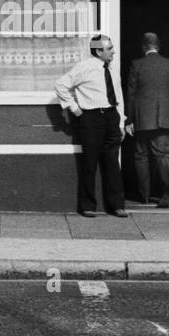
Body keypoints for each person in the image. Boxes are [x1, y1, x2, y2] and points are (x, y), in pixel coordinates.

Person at [54, 34, 128, 218]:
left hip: (111, 116)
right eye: (109, 49)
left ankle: (117, 205)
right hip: (91, 118)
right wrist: (75, 109)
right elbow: (61, 85)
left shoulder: (112, 68)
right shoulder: (84, 67)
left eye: (112, 47)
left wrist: (120, 122)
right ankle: (87, 206)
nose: (113, 51)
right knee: (89, 163)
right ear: (98, 52)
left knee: (113, 163)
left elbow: (118, 96)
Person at [125, 32, 169, 206]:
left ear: (143, 47)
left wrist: (129, 120)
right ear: (158, 47)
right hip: (165, 117)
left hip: (142, 119)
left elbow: (131, 94)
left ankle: (144, 196)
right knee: (163, 154)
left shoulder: (137, 64)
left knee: (140, 156)